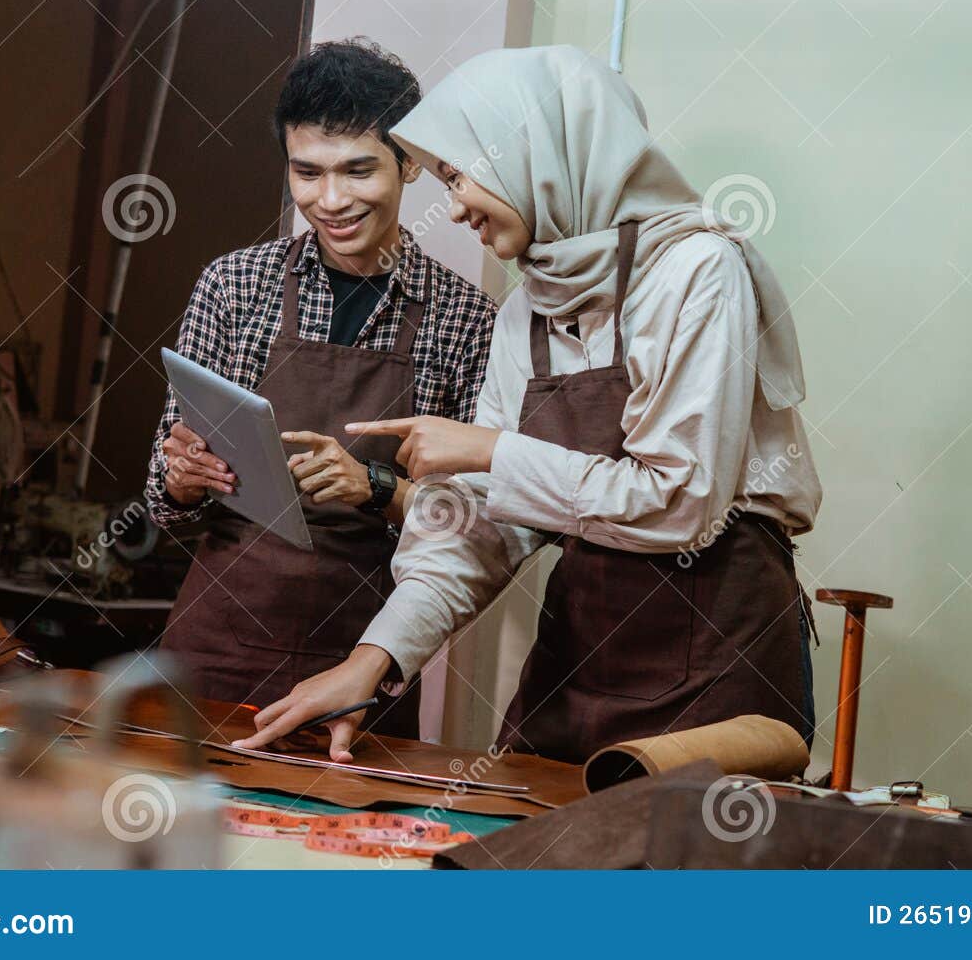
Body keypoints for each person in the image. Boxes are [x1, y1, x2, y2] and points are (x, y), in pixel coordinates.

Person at [233, 44, 822, 764]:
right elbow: (480, 526)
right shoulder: (527, 311)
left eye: (460, 176)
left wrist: (489, 450)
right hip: (585, 650)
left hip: (717, 656)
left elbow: (682, 502)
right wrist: (372, 660)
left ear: (537, 154)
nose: (452, 208)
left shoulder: (699, 272)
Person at [145, 38, 497, 734]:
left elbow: (481, 528)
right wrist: (180, 473)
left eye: (358, 170)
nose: (330, 200)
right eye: (306, 173)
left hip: (362, 655)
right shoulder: (233, 285)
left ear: (409, 163)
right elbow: (162, 491)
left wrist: (380, 489)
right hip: (213, 644)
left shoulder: (467, 320)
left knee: (342, 838)